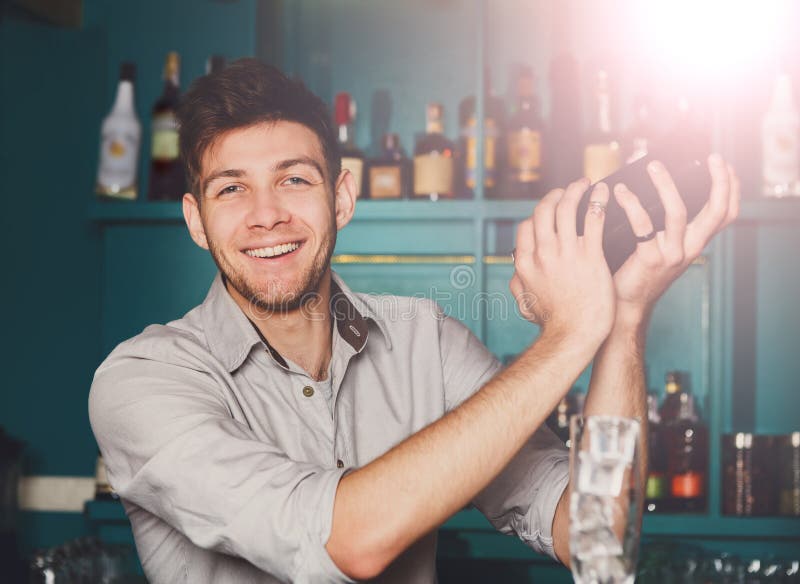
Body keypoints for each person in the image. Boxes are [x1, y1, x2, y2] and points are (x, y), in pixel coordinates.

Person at [88, 58, 739, 584]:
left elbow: (600, 543)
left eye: (294, 180)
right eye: (232, 188)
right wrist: (571, 335)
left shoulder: (427, 343)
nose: (266, 215)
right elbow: (348, 541)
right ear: (197, 220)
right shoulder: (141, 383)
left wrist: (623, 322)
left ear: (341, 199)